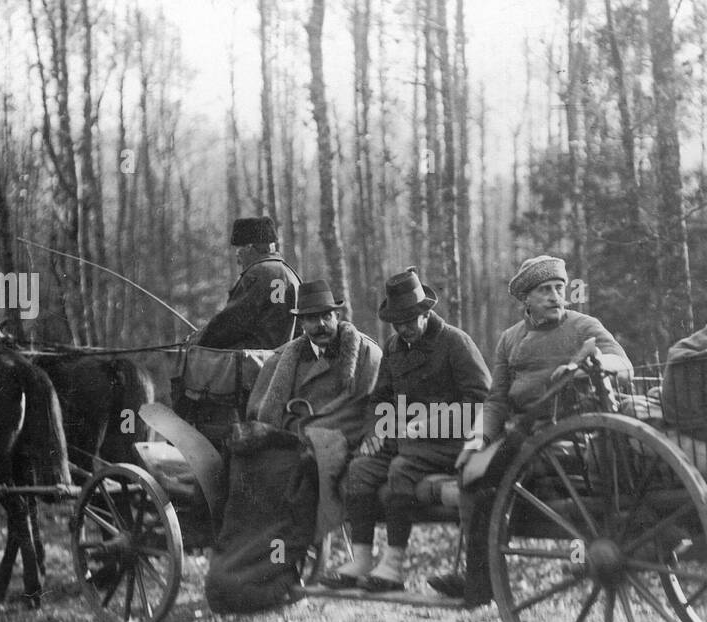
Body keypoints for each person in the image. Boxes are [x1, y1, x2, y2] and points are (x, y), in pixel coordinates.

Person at [428, 255, 632, 604]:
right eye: (545, 290)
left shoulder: (583, 326)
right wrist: (477, 439)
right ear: (526, 300)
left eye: (559, 288)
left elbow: (622, 364)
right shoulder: (510, 339)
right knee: (471, 473)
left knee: (494, 478)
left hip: (573, 436)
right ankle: (477, 574)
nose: (555, 296)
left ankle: (480, 585)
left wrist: (587, 366)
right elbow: (496, 401)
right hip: (525, 433)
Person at [321, 268, 491, 593]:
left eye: (411, 321)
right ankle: (360, 560)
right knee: (360, 469)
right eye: (398, 323)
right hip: (406, 440)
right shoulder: (395, 348)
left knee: (402, 467)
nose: (405, 329)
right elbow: (379, 399)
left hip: (453, 442)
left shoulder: (455, 342)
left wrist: (429, 424)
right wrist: (374, 432)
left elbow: (481, 402)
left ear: (427, 313)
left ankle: (393, 566)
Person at [245, 279, 381, 450]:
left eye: (326, 316)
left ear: (337, 317)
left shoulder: (366, 353)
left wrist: (310, 431)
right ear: (301, 323)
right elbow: (263, 413)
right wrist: (292, 427)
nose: (321, 325)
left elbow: (366, 408)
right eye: (312, 318)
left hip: (345, 441)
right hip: (292, 442)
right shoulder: (282, 360)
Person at [197, 216, 301, 350]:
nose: (237, 256)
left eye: (238, 249)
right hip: (285, 362)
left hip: (253, 364)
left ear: (250, 248)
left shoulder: (257, 273)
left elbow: (231, 322)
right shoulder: (292, 275)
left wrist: (198, 340)